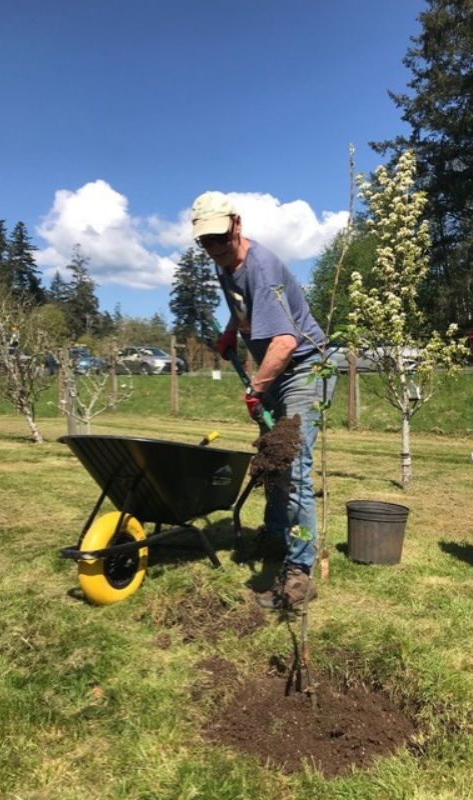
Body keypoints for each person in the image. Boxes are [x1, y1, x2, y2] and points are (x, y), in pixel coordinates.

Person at [190, 190, 334, 611]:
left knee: (294, 466)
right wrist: (231, 333)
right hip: (278, 367)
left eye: (220, 237)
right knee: (272, 460)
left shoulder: (262, 268)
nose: (215, 247)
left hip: (305, 367)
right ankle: (275, 537)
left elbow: (285, 341)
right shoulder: (226, 265)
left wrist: (256, 389)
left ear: (237, 223)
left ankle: (300, 573)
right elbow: (245, 308)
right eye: (206, 241)